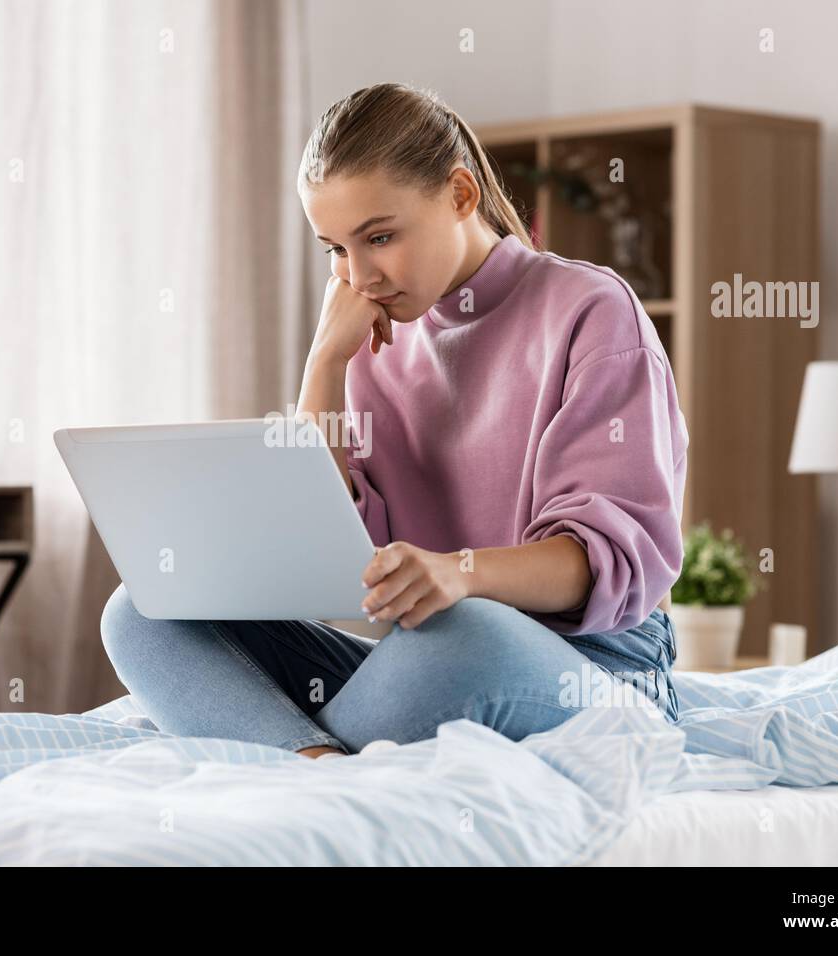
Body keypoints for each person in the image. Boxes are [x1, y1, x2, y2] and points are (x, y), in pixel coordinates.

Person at [102, 82, 688, 757]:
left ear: (461, 195)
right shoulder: (369, 338)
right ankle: (316, 771)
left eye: (379, 237)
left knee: (468, 631)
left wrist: (461, 572)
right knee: (143, 610)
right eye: (335, 250)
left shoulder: (589, 310)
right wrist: (324, 364)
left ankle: (283, 750)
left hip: (594, 671)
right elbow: (327, 552)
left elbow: (598, 564)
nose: (360, 275)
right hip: (419, 664)